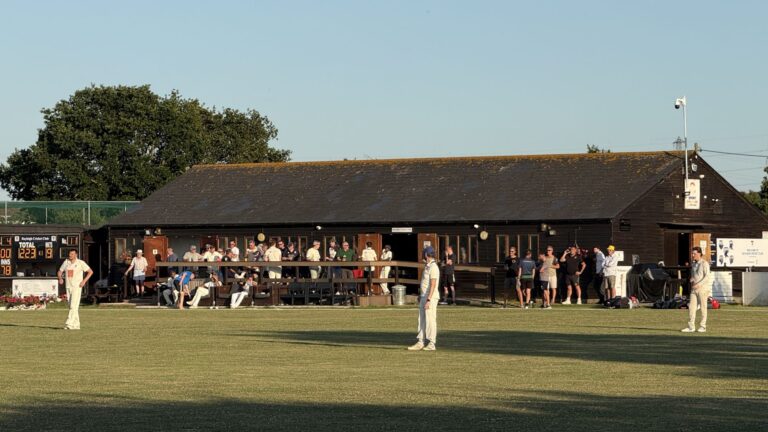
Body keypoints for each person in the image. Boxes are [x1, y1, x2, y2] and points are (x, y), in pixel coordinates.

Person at [408, 247, 440, 351]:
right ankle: (420, 342)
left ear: (426, 255)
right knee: (421, 319)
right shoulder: (427, 266)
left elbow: (433, 285)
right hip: (423, 296)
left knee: (430, 320)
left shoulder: (434, 267)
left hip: (430, 297)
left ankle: (432, 343)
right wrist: (421, 295)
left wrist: (429, 300)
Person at [57, 249, 93, 330]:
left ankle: (69, 323)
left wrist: (84, 281)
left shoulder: (80, 262)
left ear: (76, 255)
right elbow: (60, 271)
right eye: (70, 254)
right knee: (72, 306)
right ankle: (76, 325)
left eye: (72, 254)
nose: (70, 256)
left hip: (77, 287)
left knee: (73, 305)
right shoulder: (66, 262)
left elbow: (90, 272)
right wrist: (60, 278)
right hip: (68, 286)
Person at [682, 246, 712, 333]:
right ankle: (691, 327)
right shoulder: (694, 264)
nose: (693, 255)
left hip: (703, 289)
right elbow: (694, 275)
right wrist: (692, 279)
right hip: (694, 289)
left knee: (703, 308)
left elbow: (707, 277)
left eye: (694, 253)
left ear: (699, 254)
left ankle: (703, 326)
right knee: (691, 307)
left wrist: (699, 284)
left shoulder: (704, 263)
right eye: (692, 253)